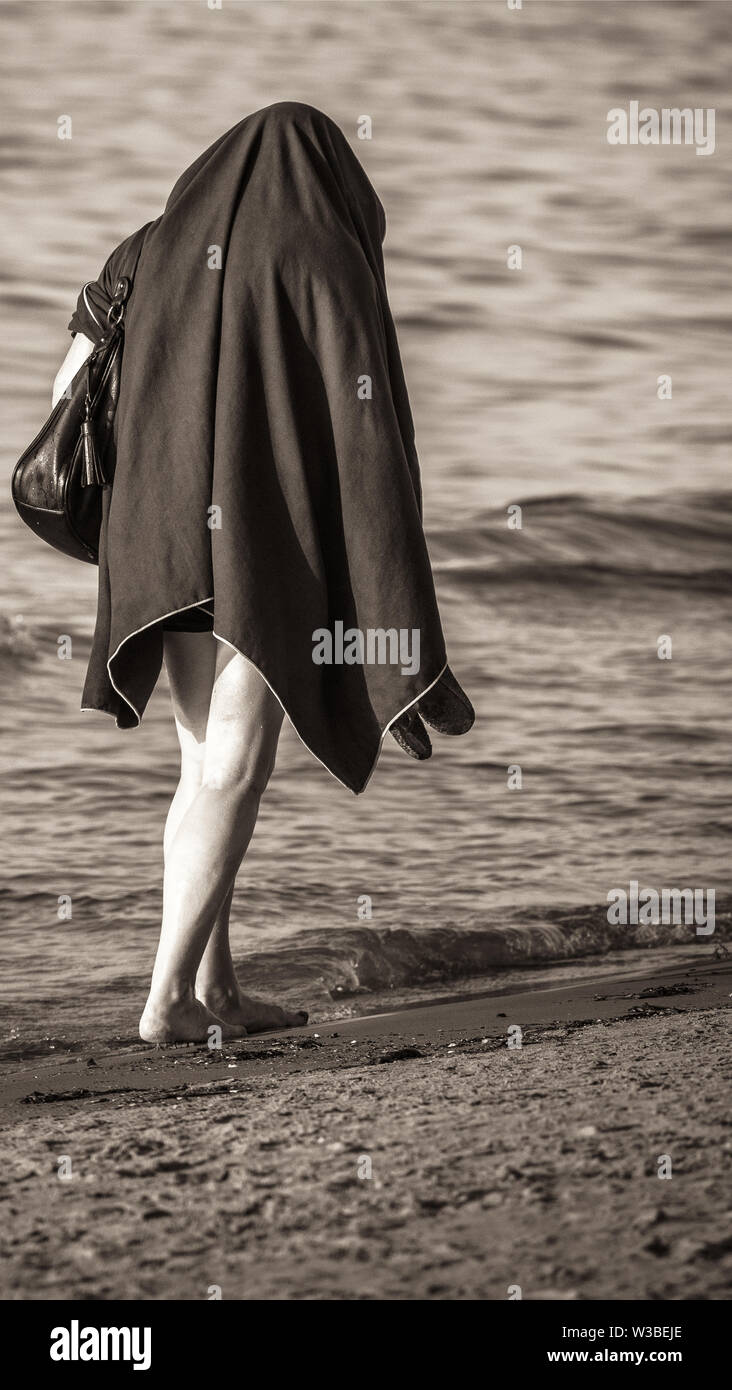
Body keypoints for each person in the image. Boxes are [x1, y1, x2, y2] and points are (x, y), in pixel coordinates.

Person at [52, 103, 473, 1044]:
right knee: (238, 764)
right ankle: (164, 1003)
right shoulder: (322, 252)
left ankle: (220, 993)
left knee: (202, 765)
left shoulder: (154, 245)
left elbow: (64, 389)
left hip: (156, 532)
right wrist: (395, 607)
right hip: (258, 539)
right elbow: (370, 446)